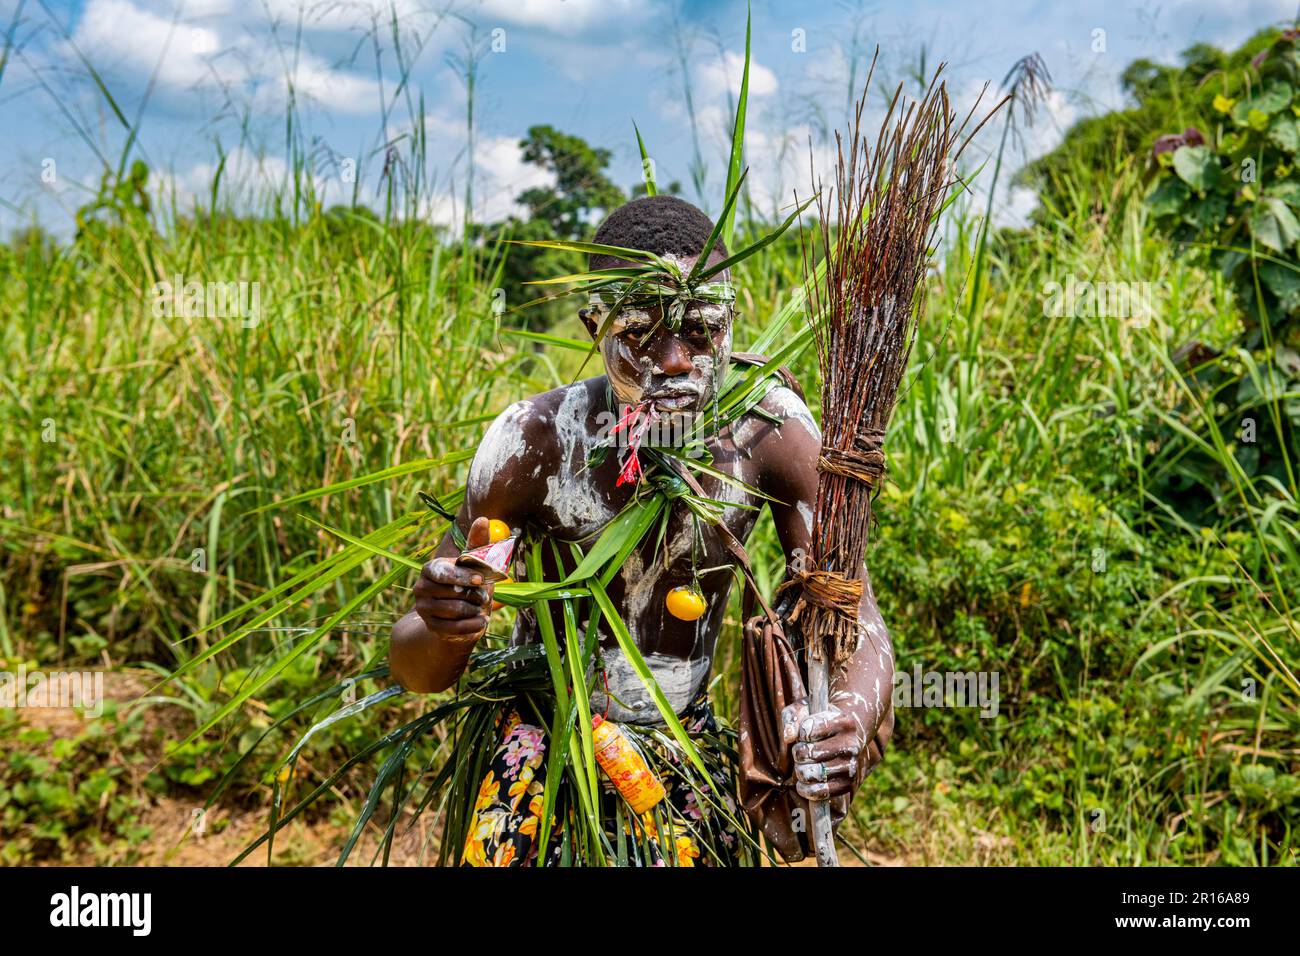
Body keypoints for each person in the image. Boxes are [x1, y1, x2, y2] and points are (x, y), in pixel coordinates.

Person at [390, 194, 893, 865]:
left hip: (686, 760)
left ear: (731, 320)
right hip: (543, 759)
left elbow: (853, 612)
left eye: (702, 330)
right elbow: (418, 670)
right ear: (594, 326)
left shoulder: (772, 433)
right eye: (640, 333)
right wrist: (445, 620)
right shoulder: (535, 442)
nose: (677, 359)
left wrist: (850, 717)